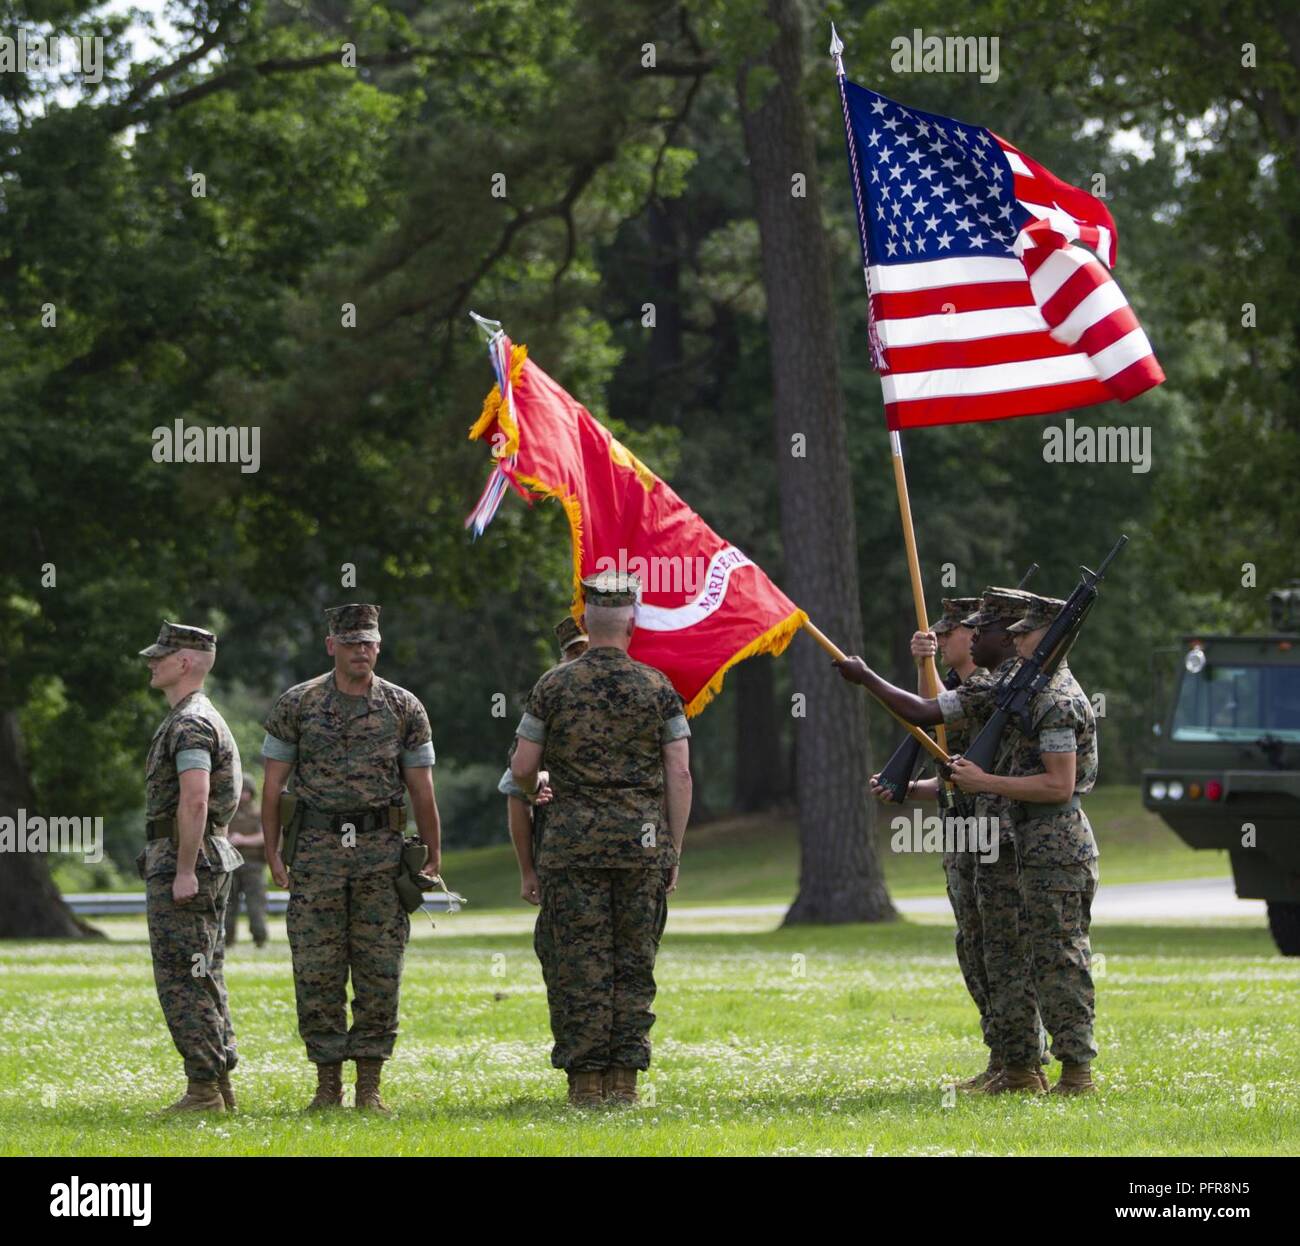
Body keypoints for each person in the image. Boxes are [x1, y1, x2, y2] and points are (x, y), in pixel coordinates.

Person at [851, 587, 1048, 1094]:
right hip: (963, 828)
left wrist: (870, 675)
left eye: (950, 631)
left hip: (991, 831)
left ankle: (1023, 1062)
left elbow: (926, 711)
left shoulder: (995, 690)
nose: (941, 636)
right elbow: (949, 758)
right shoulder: (972, 685)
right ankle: (1004, 1057)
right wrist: (911, 789)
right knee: (976, 947)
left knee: (1003, 949)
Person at [510, 572, 692, 1107]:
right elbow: (679, 776)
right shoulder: (659, 688)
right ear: (632, 623)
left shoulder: (553, 685)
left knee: (578, 961)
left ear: (587, 622)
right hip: (640, 845)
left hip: (569, 846)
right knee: (633, 961)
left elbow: (522, 765)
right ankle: (625, 1082)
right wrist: (671, 848)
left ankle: (585, 1082)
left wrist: (536, 785)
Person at [261, 603, 441, 1112]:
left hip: (381, 855)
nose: (361, 651)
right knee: (316, 968)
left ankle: (369, 1086)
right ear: (331, 646)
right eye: (351, 642)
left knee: (379, 968)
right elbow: (273, 787)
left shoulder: (404, 708)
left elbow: (422, 790)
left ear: (379, 646)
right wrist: (274, 853)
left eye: (369, 642)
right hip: (316, 853)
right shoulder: (297, 704)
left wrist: (432, 853)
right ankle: (325, 1086)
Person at [948, 593, 1101, 1095]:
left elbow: (1058, 786)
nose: (1013, 637)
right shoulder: (1030, 691)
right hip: (1029, 842)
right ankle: (1020, 1070)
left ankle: (1077, 1075)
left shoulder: (1056, 700)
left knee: (1059, 958)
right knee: (1025, 956)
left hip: (1056, 845)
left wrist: (984, 783)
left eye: (1024, 631)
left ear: (1052, 636)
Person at [138, 620, 243, 1114]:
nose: (151, 662)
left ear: (184, 663)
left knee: (183, 975)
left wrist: (183, 869)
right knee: (204, 970)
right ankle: (218, 1086)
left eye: (160, 656)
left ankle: (203, 1092)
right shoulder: (195, 717)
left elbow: (195, 798)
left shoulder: (190, 723)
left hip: (188, 859)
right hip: (200, 857)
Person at [225, 776, 268, 947]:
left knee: (256, 906)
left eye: (246, 792)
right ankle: (228, 940)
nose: (243, 795)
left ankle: (260, 939)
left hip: (253, 865)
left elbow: (265, 836)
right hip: (230, 864)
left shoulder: (258, 814)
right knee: (228, 906)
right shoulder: (227, 813)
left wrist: (242, 840)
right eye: (240, 791)